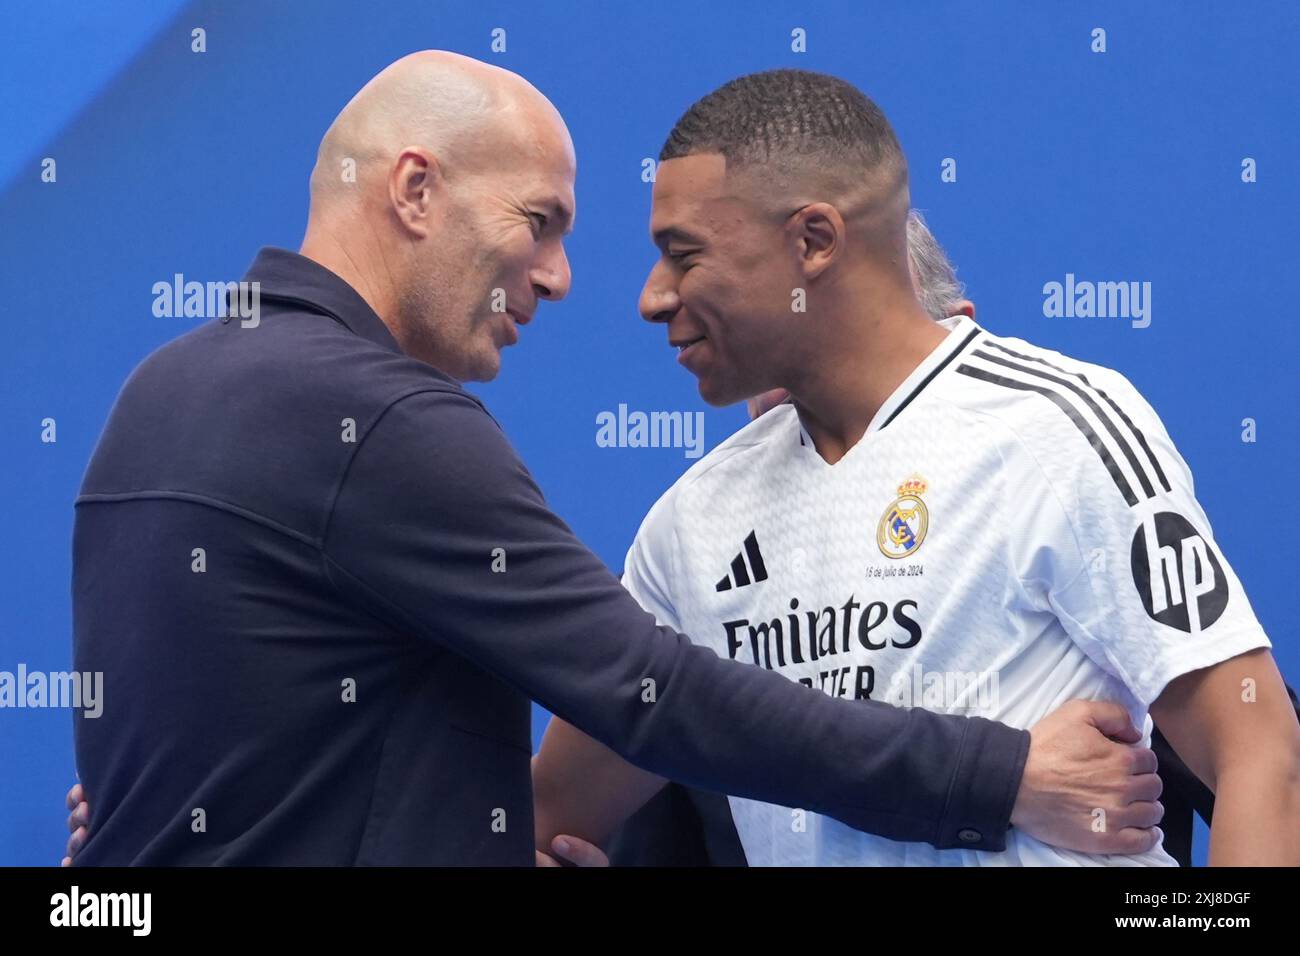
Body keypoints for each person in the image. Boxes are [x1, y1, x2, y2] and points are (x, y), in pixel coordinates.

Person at [66, 52, 1155, 866]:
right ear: (413, 190)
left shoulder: (156, 395)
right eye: (539, 221)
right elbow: (653, 694)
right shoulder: (382, 422)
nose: (561, 275)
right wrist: (1003, 772)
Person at [532, 68, 1300, 866]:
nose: (651, 298)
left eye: (682, 256)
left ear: (814, 242)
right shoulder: (689, 525)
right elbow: (549, 816)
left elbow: (1259, 755)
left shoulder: (1058, 427)